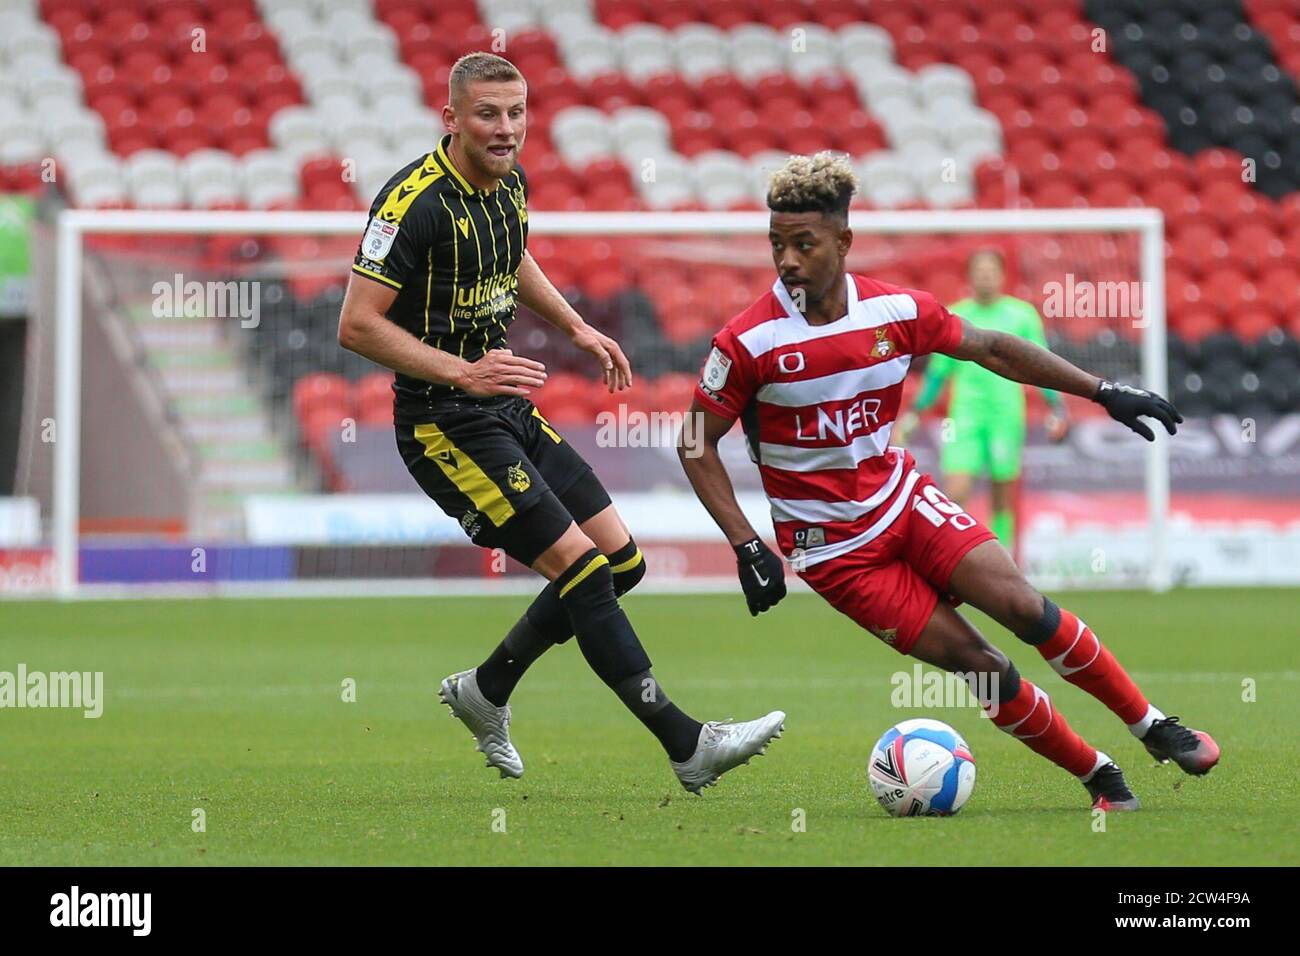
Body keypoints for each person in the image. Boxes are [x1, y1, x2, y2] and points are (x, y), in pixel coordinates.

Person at [679, 152, 1218, 811]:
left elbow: (992, 348)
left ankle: (1153, 725)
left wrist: (1102, 390)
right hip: (833, 550)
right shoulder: (746, 342)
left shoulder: (896, 311)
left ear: (843, 241)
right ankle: (1098, 774)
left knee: (1024, 606)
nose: (787, 260)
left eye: (803, 244)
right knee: (981, 666)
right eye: (777, 245)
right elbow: (694, 442)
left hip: (903, 501)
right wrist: (745, 543)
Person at [338, 52, 783, 794]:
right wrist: (462, 371)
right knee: (580, 568)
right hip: (443, 424)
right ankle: (686, 743)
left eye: (515, 113)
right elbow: (355, 325)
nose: (505, 128)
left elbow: (512, 259)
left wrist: (576, 325)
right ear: (451, 119)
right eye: (487, 114)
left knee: (621, 562)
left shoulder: (509, 181)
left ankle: (486, 689)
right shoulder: (409, 205)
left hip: (503, 407)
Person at [899, 249, 1069, 551]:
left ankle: (1004, 565)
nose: (986, 276)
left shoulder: (1021, 315)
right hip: (964, 416)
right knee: (955, 490)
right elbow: (938, 374)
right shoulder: (956, 315)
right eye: (980, 270)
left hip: (1005, 415)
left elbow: (1041, 366)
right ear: (970, 276)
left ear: (1002, 275)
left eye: (991, 270)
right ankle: (954, 559)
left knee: (1002, 493)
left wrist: (1055, 406)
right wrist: (914, 413)